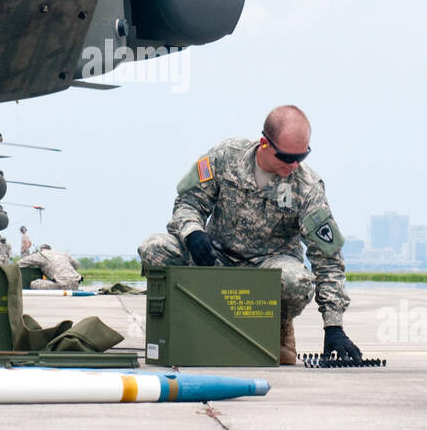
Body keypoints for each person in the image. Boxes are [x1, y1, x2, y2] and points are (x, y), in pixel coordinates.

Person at [137, 105, 362, 366]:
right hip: (214, 260)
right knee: (154, 248)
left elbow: (328, 258)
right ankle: (186, 323)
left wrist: (333, 327)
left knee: (297, 280)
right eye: (287, 157)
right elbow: (187, 202)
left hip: (267, 273)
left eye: (303, 156)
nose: (295, 165)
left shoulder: (307, 187)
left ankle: (277, 325)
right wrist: (193, 232)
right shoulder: (225, 157)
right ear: (265, 143)